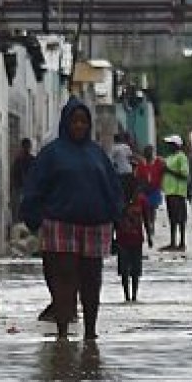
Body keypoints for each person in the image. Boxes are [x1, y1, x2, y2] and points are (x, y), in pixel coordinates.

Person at [20, 99, 123, 341]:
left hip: (95, 226)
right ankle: (63, 333)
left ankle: (90, 332)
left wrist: (117, 215)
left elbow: (112, 187)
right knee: (63, 280)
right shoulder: (51, 154)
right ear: (66, 123)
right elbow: (34, 187)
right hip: (60, 224)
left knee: (91, 280)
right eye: (75, 121)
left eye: (83, 121)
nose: (79, 126)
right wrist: (33, 218)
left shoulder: (97, 154)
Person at [113, 182, 148, 302]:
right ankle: (127, 296)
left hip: (136, 241)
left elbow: (146, 218)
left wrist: (149, 235)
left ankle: (133, 296)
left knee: (135, 270)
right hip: (123, 241)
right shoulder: (118, 203)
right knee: (124, 270)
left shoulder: (141, 201)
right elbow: (114, 220)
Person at [160, 134, 191, 251]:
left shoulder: (181, 157)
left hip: (178, 192)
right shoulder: (169, 157)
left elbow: (184, 175)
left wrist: (169, 170)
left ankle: (182, 242)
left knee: (180, 218)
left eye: (170, 145)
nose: (168, 147)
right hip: (169, 191)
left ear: (176, 145)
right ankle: (173, 242)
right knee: (172, 218)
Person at [135, 145, 164, 248]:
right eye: (147, 152)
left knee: (152, 208)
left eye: (150, 152)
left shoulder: (158, 163)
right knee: (146, 209)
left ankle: (151, 225)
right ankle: (149, 226)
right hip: (145, 190)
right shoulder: (141, 164)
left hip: (155, 189)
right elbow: (138, 177)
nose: (148, 154)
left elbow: (162, 172)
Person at [10, 136, 36, 224]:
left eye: (28, 146)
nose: (26, 148)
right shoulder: (18, 160)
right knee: (19, 211)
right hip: (20, 189)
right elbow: (13, 176)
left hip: (28, 189)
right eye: (25, 146)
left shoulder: (32, 160)